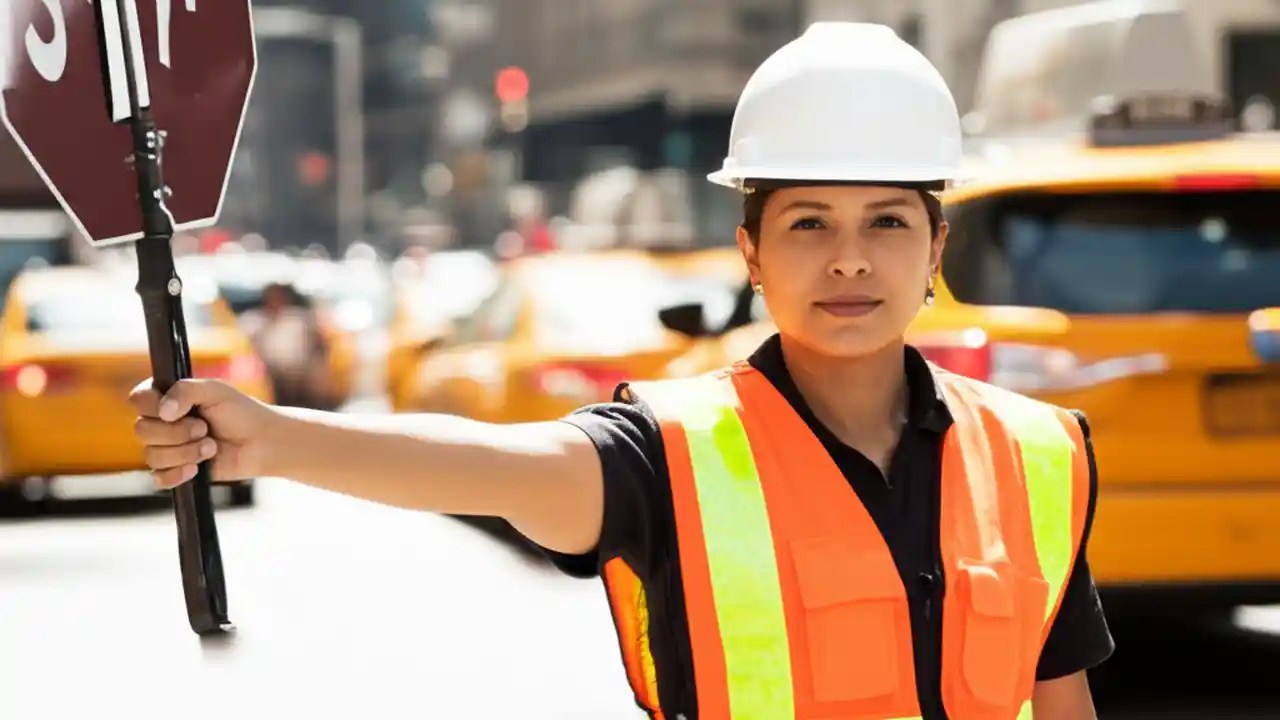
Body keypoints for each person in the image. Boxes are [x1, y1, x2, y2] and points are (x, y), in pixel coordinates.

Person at [131, 23, 1112, 720]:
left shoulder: (1037, 456)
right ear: (750, 252)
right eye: (807, 222)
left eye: (885, 223)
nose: (848, 260)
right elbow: (486, 463)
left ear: (934, 248)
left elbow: (1057, 699)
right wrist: (272, 437)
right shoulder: (669, 454)